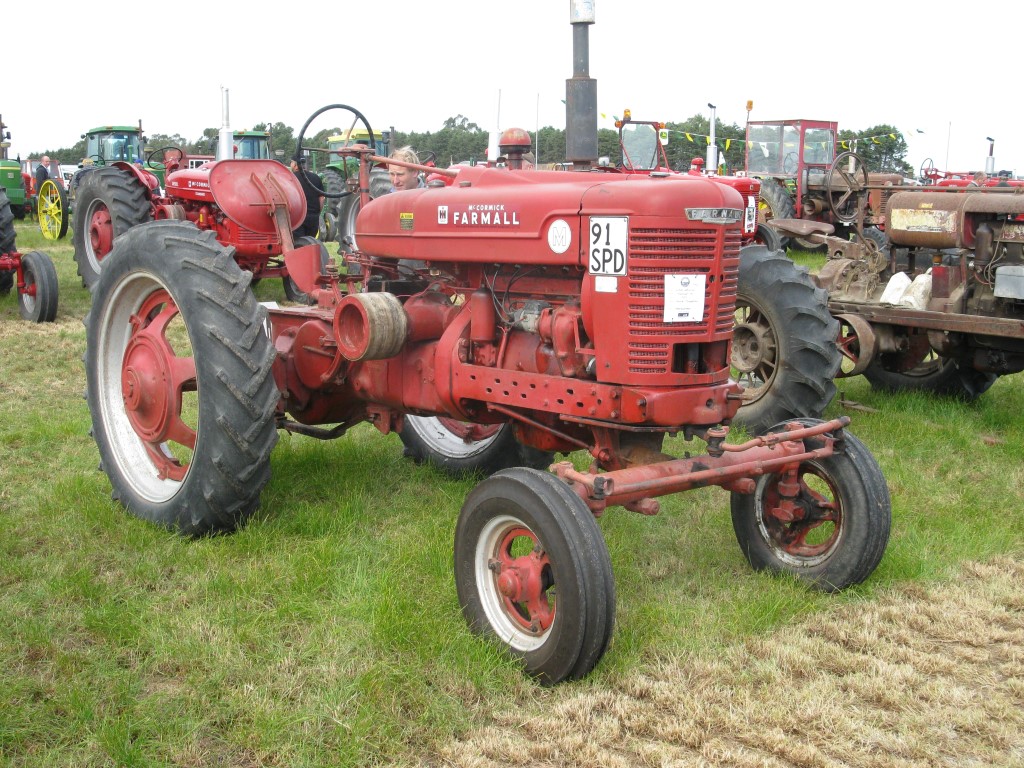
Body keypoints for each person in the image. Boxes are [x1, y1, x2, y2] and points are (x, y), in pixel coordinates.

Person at [290, 157, 323, 238]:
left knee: (299, 244)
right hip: (313, 217)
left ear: (294, 164)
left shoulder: (290, 178)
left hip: (297, 218)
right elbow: (321, 198)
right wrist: (317, 213)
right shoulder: (316, 177)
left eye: (291, 163)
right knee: (310, 242)